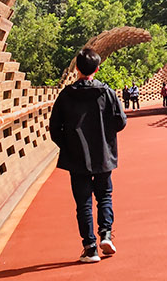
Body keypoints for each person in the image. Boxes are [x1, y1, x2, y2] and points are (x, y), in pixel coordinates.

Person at [48, 48, 127, 263]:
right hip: (103, 154)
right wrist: (105, 136)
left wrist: (69, 145)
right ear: (97, 68)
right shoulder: (107, 93)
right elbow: (120, 122)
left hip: (77, 157)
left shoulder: (66, 95)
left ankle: (90, 247)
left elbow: (54, 128)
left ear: (77, 69)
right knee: (104, 196)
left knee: (83, 202)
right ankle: (106, 235)